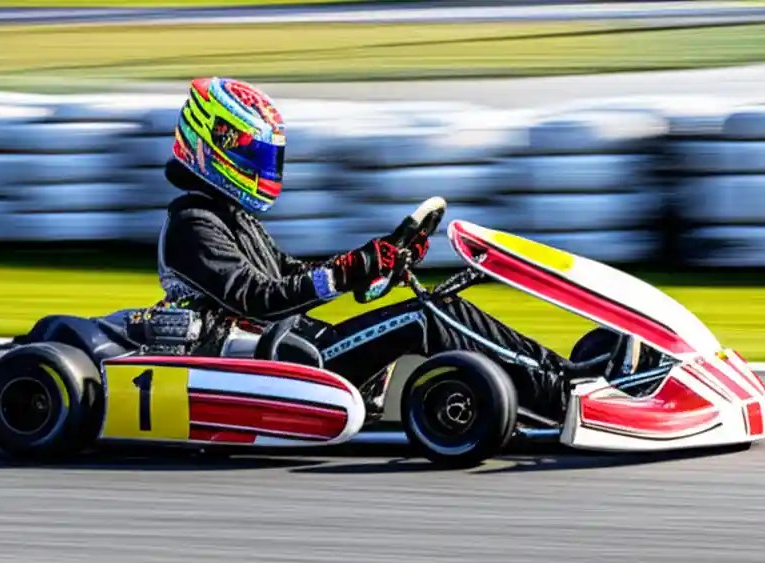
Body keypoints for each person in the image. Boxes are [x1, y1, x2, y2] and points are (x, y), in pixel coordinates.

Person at [153, 77, 573, 418]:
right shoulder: (192, 226)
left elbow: (291, 274)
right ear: (213, 144)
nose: (264, 166)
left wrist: (375, 263)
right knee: (427, 319)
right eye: (252, 153)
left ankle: (561, 373)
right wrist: (346, 272)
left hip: (300, 347)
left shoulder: (231, 217)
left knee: (445, 305)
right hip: (280, 365)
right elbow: (257, 300)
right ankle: (557, 394)